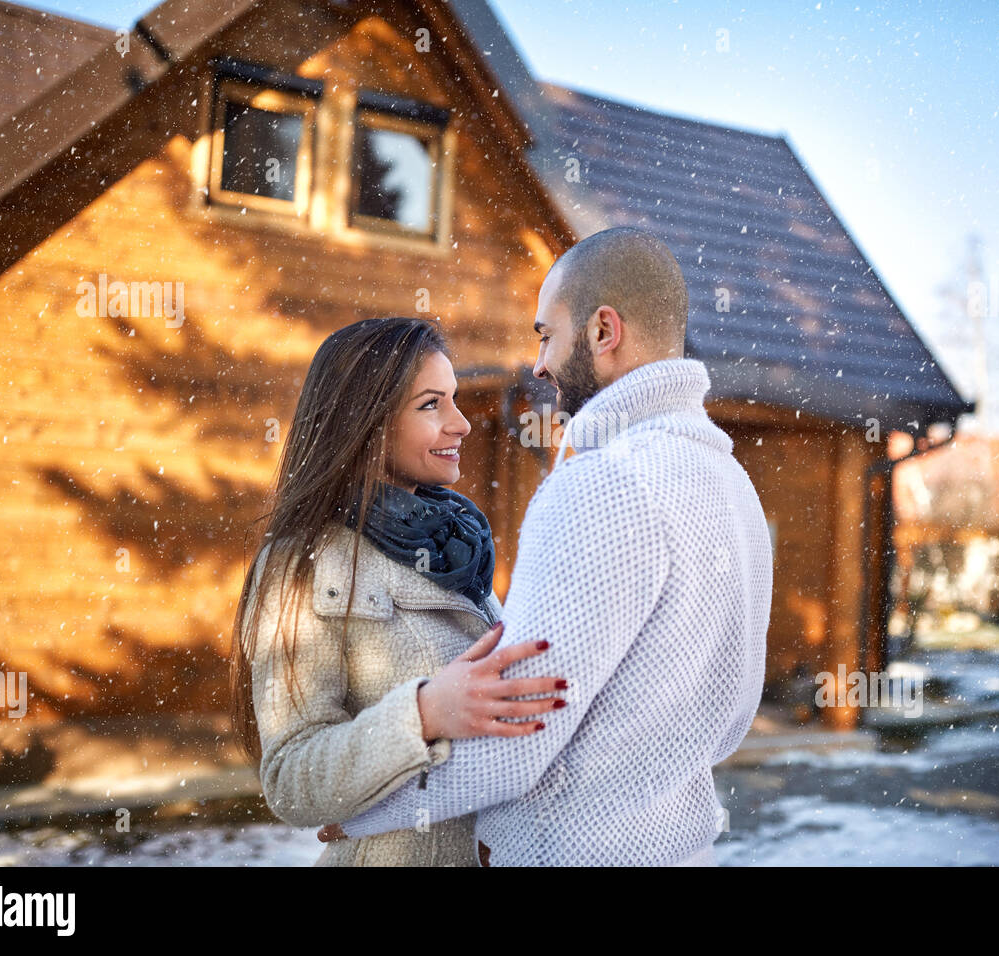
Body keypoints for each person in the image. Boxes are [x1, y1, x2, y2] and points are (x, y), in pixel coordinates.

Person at [324, 226, 774, 866]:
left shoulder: (603, 485)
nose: (537, 363)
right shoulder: (732, 485)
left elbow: (520, 728)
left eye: (546, 334)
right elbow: (731, 710)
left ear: (602, 331)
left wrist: (369, 808)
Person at [229, 316, 566, 866]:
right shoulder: (301, 564)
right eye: (431, 404)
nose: (461, 424)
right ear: (366, 422)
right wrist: (425, 713)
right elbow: (292, 778)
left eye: (454, 400)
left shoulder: (458, 547)